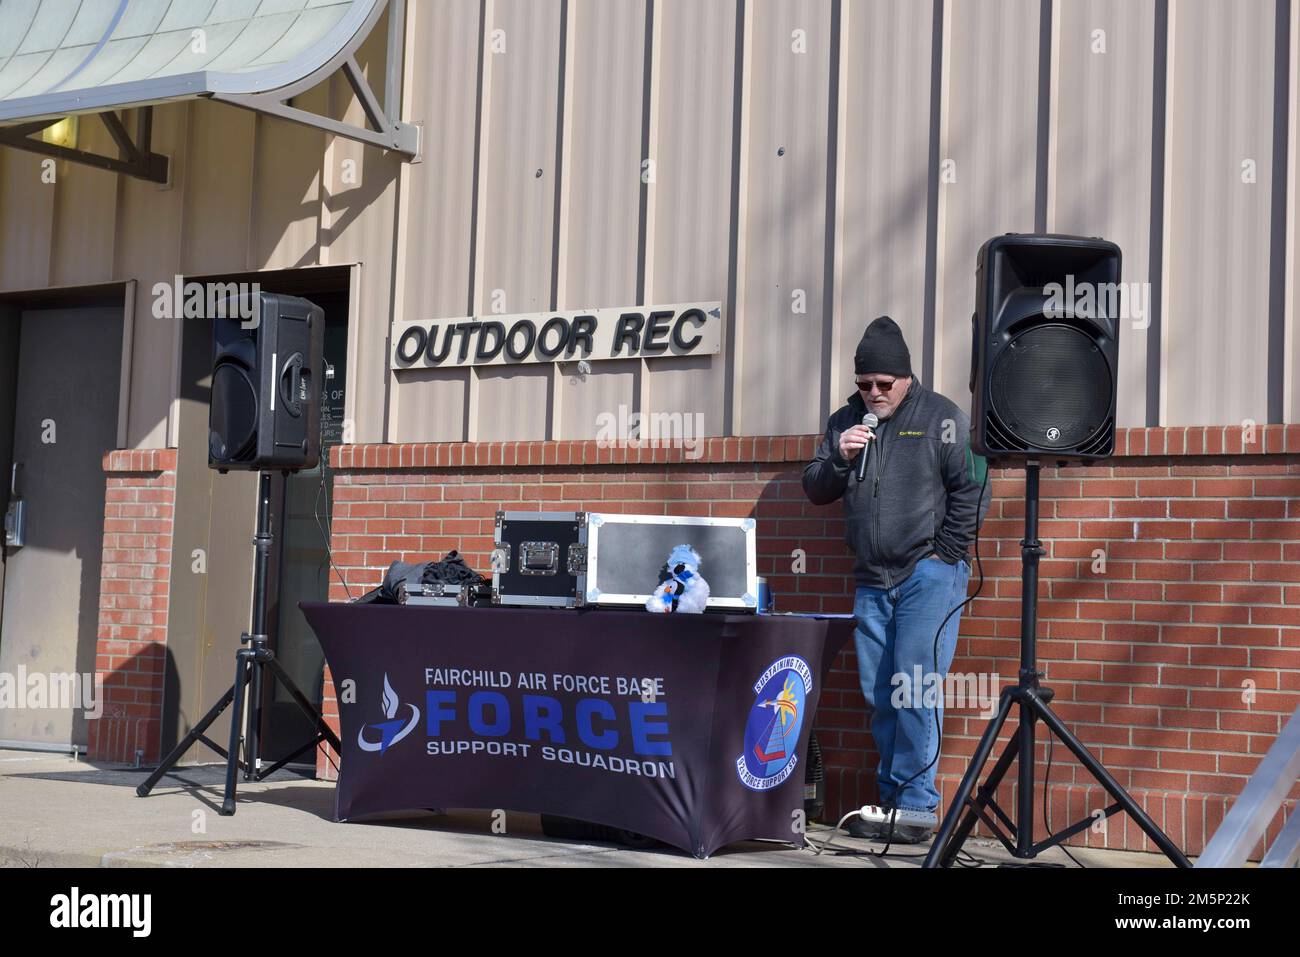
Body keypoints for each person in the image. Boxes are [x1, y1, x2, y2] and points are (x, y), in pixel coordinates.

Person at [802, 315, 990, 843]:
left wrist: (945, 555)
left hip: (928, 577)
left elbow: (975, 488)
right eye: (866, 385)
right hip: (872, 579)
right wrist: (839, 459)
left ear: (906, 377)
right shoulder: (846, 421)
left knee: (914, 687)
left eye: (885, 384)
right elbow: (814, 488)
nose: (875, 393)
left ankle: (917, 805)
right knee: (880, 692)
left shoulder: (941, 417)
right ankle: (894, 803)